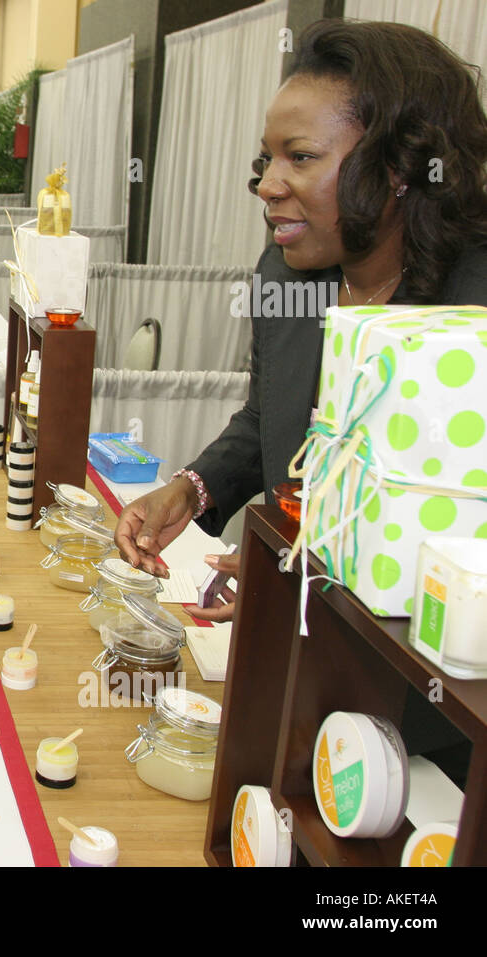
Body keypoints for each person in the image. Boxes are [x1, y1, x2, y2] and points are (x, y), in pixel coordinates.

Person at [114, 19, 487, 622]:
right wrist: (191, 488)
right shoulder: (287, 277)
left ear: (401, 168)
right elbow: (270, 417)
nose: (266, 185)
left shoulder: (471, 314)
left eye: (302, 157)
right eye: (267, 159)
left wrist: (311, 574)